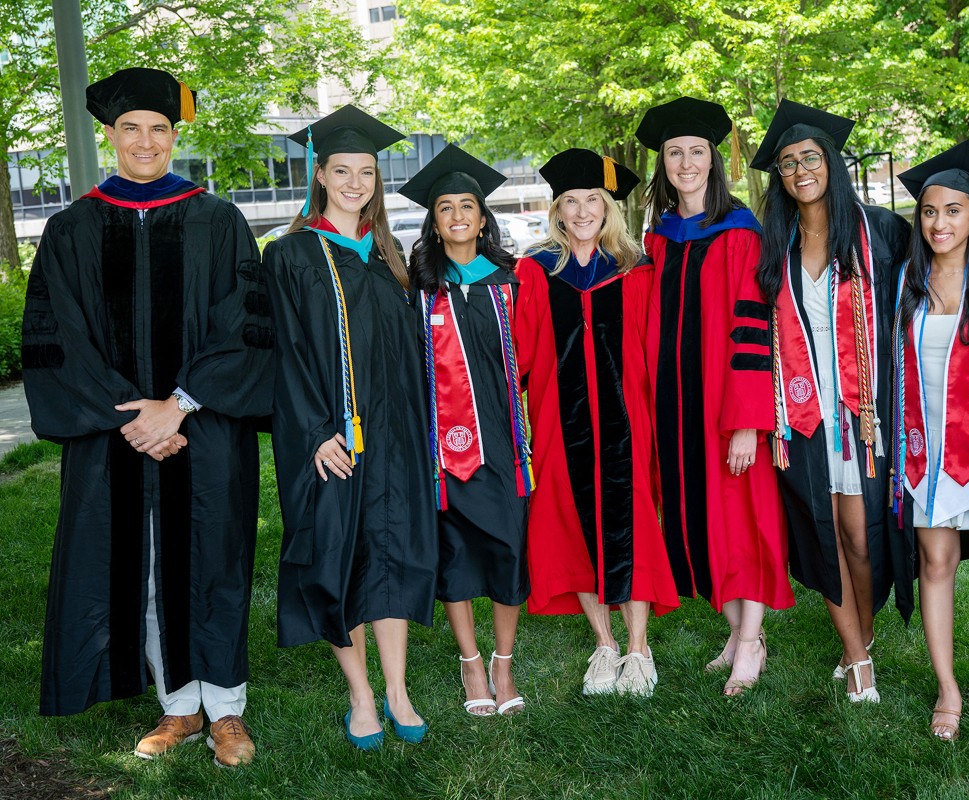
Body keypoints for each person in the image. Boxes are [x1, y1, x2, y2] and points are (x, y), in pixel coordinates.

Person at [21, 68, 272, 766]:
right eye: (131, 127)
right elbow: (58, 336)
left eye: (158, 128)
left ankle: (226, 709)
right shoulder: (71, 228)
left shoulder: (218, 220)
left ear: (173, 137)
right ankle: (179, 706)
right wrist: (135, 419)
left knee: (212, 558)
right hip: (117, 436)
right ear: (110, 136)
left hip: (206, 425)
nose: (145, 140)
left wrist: (179, 405)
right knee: (149, 564)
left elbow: (243, 326)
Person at [264, 106, 436, 750]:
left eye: (367, 171)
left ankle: (397, 690)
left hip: (396, 436)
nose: (356, 182)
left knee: (393, 554)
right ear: (321, 175)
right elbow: (283, 356)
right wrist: (314, 433)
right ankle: (360, 696)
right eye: (343, 170)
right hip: (331, 440)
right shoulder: (291, 255)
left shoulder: (392, 256)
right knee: (341, 555)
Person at [750, 99, 910, 703]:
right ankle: (857, 660)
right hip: (803, 414)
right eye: (787, 164)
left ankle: (861, 640)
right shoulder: (775, 249)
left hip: (866, 412)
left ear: (831, 162)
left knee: (863, 537)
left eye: (809, 157)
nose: (798, 170)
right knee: (823, 533)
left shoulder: (882, 232)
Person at [636, 96, 794, 696]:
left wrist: (749, 422)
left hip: (726, 412)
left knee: (743, 520)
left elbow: (755, 333)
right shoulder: (656, 239)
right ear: (664, 165)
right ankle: (735, 629)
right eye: (675, 153)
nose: (685, 162)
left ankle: (752, 639)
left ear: (712, 161)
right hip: (675, 412)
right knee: (702, 524)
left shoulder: (739, 234)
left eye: (695, 152)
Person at [515, 148, 679, 698]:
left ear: (608, 208)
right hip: (560, 426)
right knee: (571, 524)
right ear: (557, 211)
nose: (582, 211)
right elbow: (520, 350)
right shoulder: (536, 270)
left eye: (593, 201)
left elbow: (653, 349)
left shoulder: (634, 270)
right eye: (571, 202)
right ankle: (604, 642)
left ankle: (638, 647)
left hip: (628, 421)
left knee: (632, 522)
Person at [401, 145, 532, 716]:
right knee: (453, 553)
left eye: (467, 206)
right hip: (440, 448)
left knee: (508, 545)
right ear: (434, 221)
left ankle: (503, 662)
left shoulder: (513, 281)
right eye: (445, 208)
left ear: (484, 218)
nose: (457, 216)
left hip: (503, 441)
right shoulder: (418, 287)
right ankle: (470, 661)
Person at [891, 141, 969, 739]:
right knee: (935, 562)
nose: (939, 223)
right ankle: (947, 688)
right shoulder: (905, 286)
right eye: (930, 211)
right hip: (924, 452)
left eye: (954, 211)